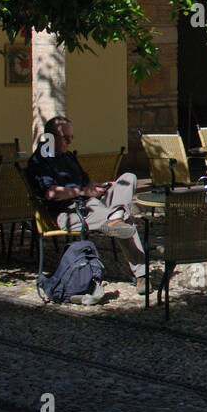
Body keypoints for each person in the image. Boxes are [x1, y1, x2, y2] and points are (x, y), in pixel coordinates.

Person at [26, 116, 157, 293]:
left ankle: (116, 215)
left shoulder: (68, 157)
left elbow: (85, 182)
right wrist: (81, 192)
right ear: (50, 137)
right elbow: (50, 193)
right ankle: (142, 275)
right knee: (125, 222)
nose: (70, 142)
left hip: (92, 203)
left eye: (72, 137)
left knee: (128, 178)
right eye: (66, 138)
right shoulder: (41, 160)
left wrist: (98, 188)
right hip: (70, 211)